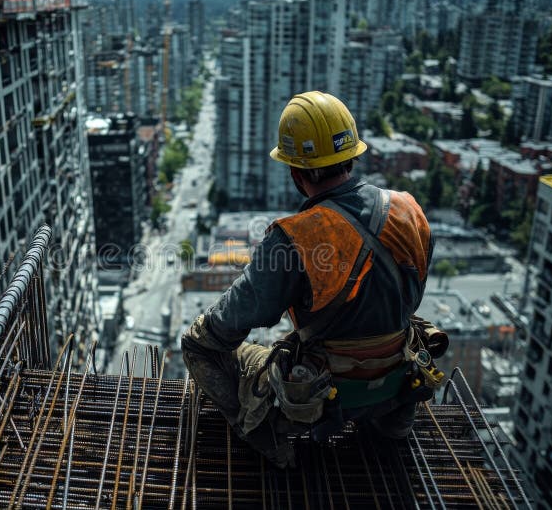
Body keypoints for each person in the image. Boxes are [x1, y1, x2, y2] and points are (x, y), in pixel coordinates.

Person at [181, 91, 443, 468]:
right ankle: (391, 424)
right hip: (396, 381)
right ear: (352, 156)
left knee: (198, 341)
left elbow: (226, 324)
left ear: (295, 171)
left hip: (323, 397)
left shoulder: (295, 238)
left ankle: (263, 436)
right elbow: (408, 298)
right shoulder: (409, 210)